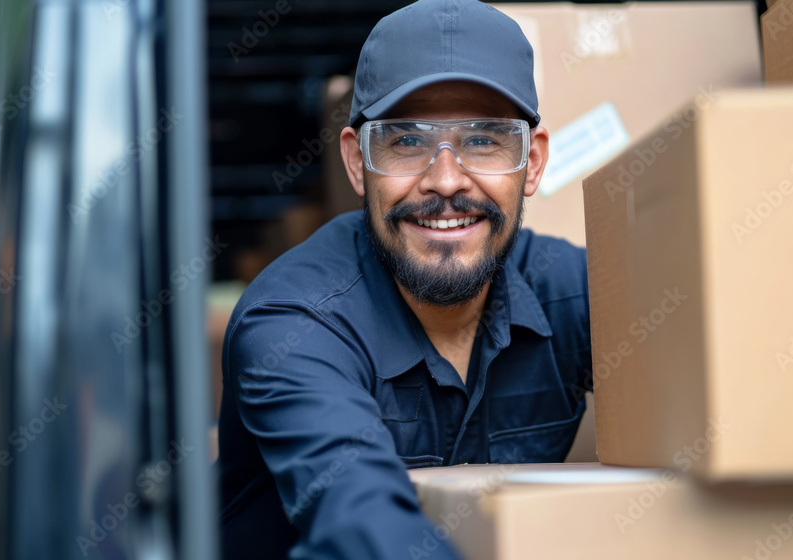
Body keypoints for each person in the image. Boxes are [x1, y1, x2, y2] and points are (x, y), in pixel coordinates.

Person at [217, 0, 592, 558]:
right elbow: (366, 528)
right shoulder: (292, 325)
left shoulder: (576, 290)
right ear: (356, 162)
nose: (445, 181)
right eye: (407, 141)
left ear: (532, 163)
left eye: (484, 139)